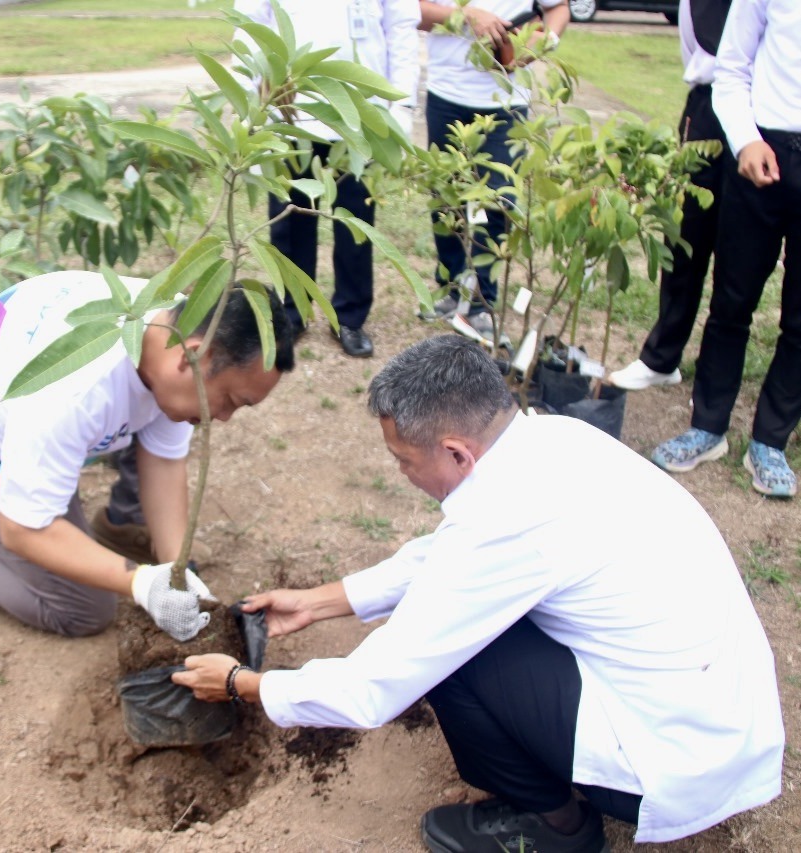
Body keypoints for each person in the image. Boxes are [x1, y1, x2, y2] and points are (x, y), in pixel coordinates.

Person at [173, 335, 783, 852]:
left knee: (456, 657)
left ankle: (554, 823)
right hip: (718, 713)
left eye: (404, 460)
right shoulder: (554, 441)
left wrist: (242, 683)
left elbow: (371, 689)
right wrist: (320, 601)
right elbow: (452, 554)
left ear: (456, 452)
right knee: (464, 619)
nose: (403, 474)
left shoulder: (508, 518)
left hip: (669, 756)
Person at [0, 270, 295, 641]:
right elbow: (22, 531)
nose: (224, 418)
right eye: (231, 401)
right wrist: (141, 584)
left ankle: (114, 528)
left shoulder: (175, 330)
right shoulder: (76, 389)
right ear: (195, 356)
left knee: (93, 524)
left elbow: (164, 459)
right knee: (83, 608)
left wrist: (175, 571)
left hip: (34, 428)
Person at [651, 0, 800, 498]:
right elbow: (732, 66)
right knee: (732, 302)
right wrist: (745, 140)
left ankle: (770, 441)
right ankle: (708, 426)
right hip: (763, 152)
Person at [233, 0, 421, 358]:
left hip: (358, 113)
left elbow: (401, 24)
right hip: (289, 110)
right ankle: (291, 313)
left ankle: (349, 316)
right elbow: (251, 20)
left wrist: (402, 103)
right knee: (289, 222)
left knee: (355, 223)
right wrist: (250, 94)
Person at [417, 0, 569, 337]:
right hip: (446, 94)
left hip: (506, 103)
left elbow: (559, 8)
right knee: (446, 201)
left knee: (497, 203)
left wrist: (543, 43)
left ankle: (482, 301)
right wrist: (467, 16)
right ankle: (451, 287)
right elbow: (415, 12)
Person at [609, 0, 733, 391]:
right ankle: (662, 358)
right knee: (685, 235)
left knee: (739, 248)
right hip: (708, 102)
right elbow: (697, 42)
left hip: (764, 107)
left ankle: (718, 374)